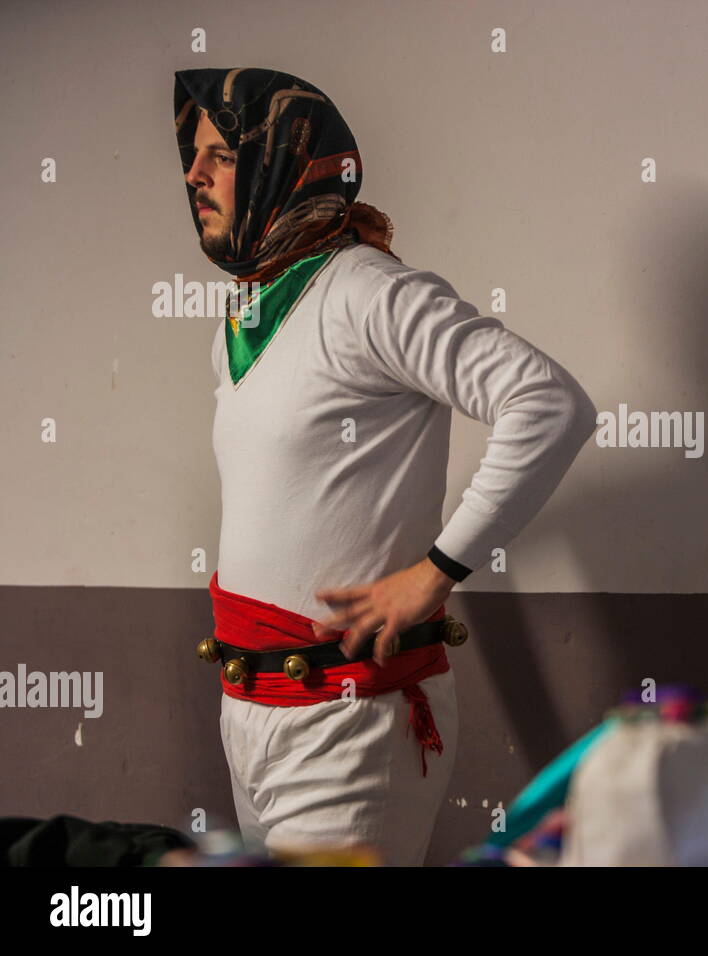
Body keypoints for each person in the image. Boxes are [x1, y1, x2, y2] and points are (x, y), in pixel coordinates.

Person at [175, 67, 596, 865]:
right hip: (247, 707)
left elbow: (548, 403)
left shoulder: (370, 293)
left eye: (220, 154)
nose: (195, 174)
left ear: (287, 164)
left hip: (350, 720)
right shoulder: (248, 314)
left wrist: (436, 571)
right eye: (193, 157)